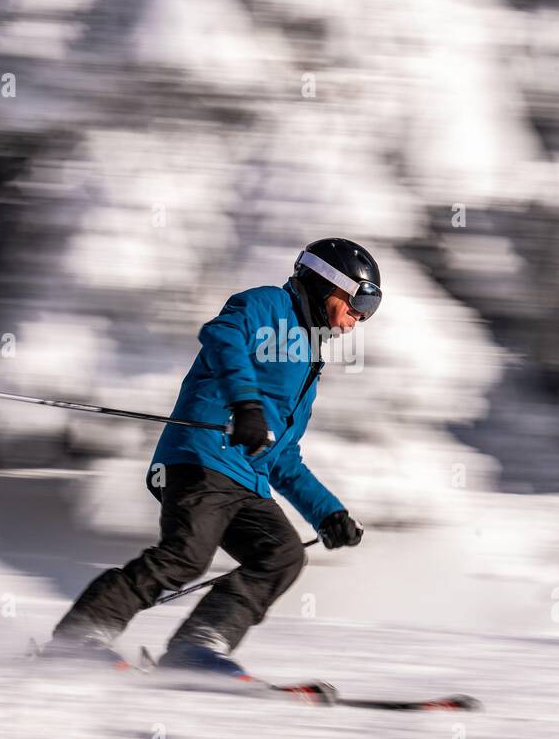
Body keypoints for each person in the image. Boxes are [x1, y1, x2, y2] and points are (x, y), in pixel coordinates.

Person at [47, 238, 381, 676]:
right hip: (200, 458)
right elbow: (221, 335)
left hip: (245, 479)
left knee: (281, 555)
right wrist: (245, 404)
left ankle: (199, 643)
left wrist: (327, 514)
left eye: (370, 310)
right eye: (359, 301)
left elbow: (282, 457)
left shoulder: (309, 359)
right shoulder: (268, 305)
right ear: (327, 284)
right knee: (186, 555)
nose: (360, 317)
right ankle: (81, 634)